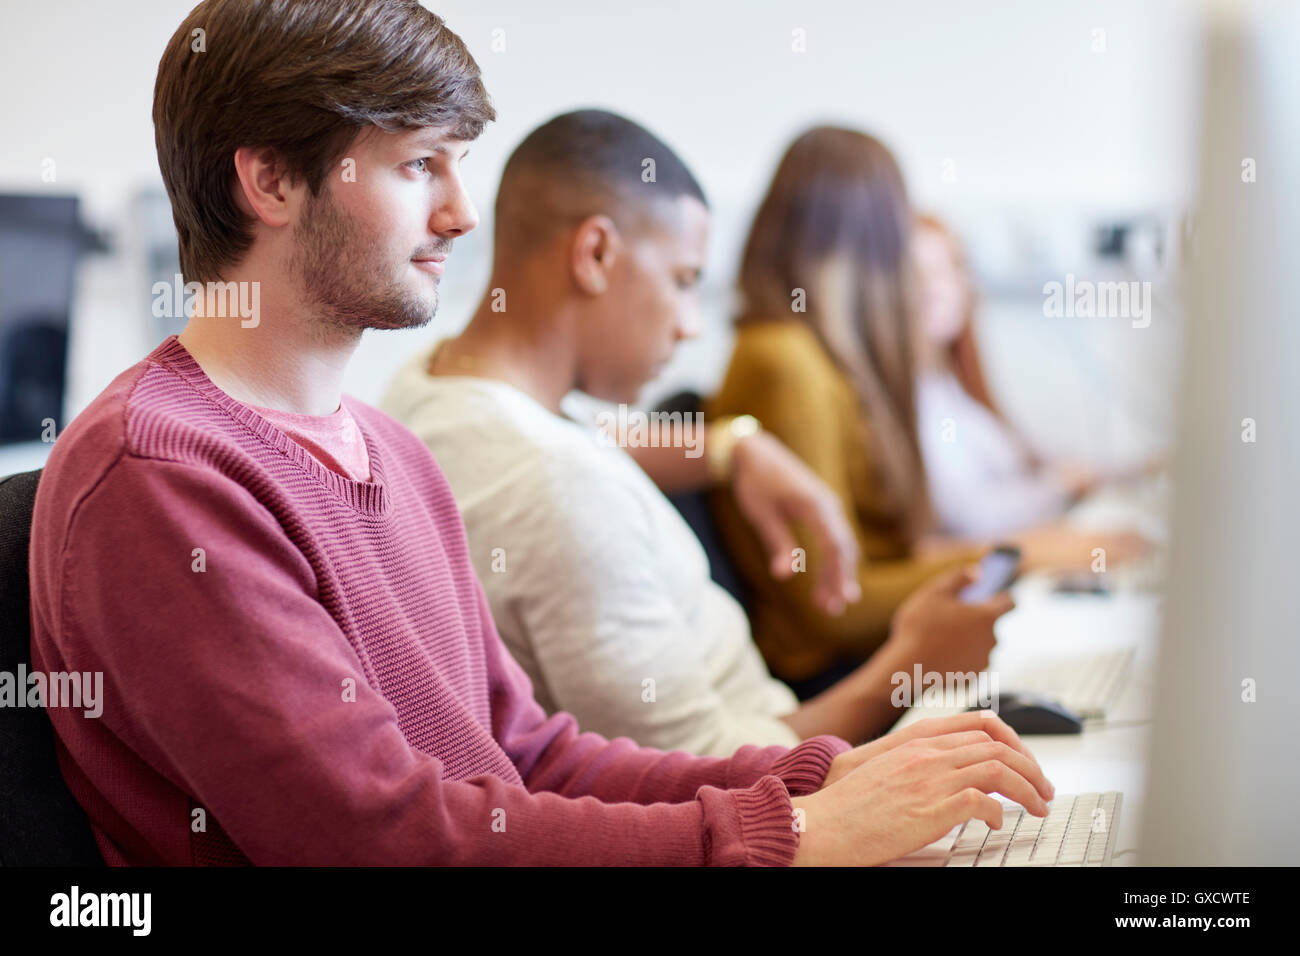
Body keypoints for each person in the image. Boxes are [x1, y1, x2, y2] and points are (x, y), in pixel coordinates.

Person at [27, 0, 1052, 867]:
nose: (463, 214)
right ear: (273, 182)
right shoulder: (159, 475)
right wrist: (786, 830)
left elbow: (530, 754)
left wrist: (824, 771)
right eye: (421, 165)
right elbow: (379, 836)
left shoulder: (391, 449)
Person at [381, 110, 1013, 755]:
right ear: (595, 255)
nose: (691, 326)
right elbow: (709, 774)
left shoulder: (429, 386)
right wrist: (908, 669)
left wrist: (733, 449)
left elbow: (577, 436)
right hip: (777, 787)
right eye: (683, 282)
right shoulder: (561, 490)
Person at [707, 128, 1145, 697]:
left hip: (880, 650)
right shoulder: (783, 359)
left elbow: (896, 550)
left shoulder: (826, 355)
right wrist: (1022, 555)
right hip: (836, 675)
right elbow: (833, 608)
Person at [912, 213, 1155, 546]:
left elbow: (1027, 461)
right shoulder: (914, 399)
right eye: (915, 274)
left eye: (945, 271)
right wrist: (1062, 485)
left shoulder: (953, 387)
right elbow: (971, 521)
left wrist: (1127, 470)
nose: (933, 289)